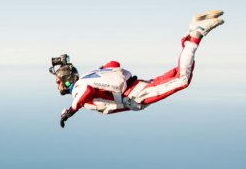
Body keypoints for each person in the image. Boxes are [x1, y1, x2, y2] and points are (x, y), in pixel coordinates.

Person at [52, 10, 224, 128]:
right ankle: (194, 31)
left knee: (182, 79)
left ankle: (196, 33)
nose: (57, 85)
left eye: (58, 81)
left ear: (67, 79)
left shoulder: (79, 89)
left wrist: (71, 111)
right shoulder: (90, 75)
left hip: (136, 95)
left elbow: (86, 93)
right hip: (139, 85)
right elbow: (114, 63)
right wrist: (103, 70)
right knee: (178, 73)